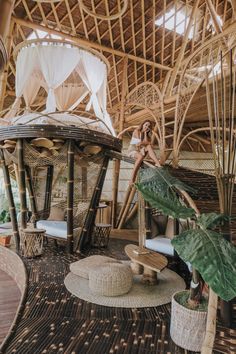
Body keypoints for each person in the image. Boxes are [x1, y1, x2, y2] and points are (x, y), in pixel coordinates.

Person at [121, 119, 161, 185]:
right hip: (132, 151)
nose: (147, 127)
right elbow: (137, 144)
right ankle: (132, 179)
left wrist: (145, 133)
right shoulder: (137, 131)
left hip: (139, 151)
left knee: (148, 147)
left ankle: (158, 164)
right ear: (143, 124)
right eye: (146, 125)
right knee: (142, 154)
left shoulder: (145, 134)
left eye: (148, 126)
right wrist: (146, 143)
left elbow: (147, 144)